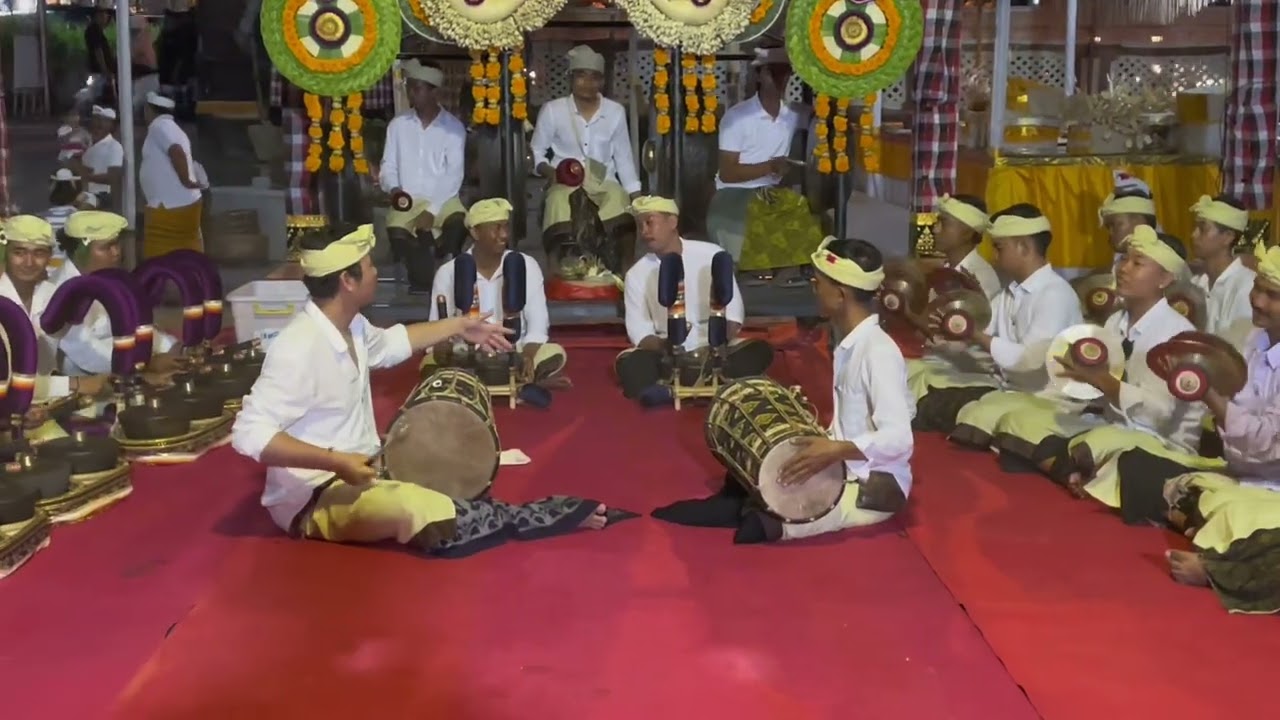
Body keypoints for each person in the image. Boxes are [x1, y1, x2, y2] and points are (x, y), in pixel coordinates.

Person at [230, 224, 632, 557]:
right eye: (368, 268)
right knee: (422, 508)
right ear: (347, 281)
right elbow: (250, 433)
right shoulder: (299, 346)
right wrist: (336, 462)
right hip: (315, 495)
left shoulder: (350, 326)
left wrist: (460, 325)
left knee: (449, 467)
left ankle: (485, 512)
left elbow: (391, 344)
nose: (375, 273)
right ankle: (525, 517)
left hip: (364, 466)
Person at [651, 238, 914, 543]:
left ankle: (752, 510)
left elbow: (899, 439)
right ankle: (738, 501)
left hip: (869, 487)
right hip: (840, 463)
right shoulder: (852, 342)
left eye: (819, 283)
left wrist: (835, 449)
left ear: (841, 295)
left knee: (760, 524)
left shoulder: (878, 351)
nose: (814, 289)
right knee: (752, 472)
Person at [975, 227, 1200, 479]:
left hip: (1158, 440)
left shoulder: (1179, 335)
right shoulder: (1116, 321)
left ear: (1165, 278)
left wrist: (1099, 378)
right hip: (1109, 425)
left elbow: (1157, 415)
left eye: (1137, 263)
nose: (1123, 268)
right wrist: (1075, 375)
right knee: (1021, 421)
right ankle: (1077, 471)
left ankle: (1076, 469)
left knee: (1096, 444)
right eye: (1124, 259)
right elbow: (1096, 389)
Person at [913, 205, 1081, 434]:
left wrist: (974, 334)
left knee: (971, 415)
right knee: (924, 385)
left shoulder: (1055, 294)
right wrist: (945, 342)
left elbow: (1030, 362)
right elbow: (979, 342)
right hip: (1006, 389)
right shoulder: (1008, 294)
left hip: (1047, 399)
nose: (994, 255)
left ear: (1024, 247)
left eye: (999, 247)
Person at [615, 196, 773, 407]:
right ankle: (717, 384)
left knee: (758, 351)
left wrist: (715, 344)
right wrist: (668, 346)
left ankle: (677, 386)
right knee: (631, 365)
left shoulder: (711, 255)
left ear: (672, 222)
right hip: (668, 352)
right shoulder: (636, 274)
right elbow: (640, 333)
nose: (644, 231)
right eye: (639, 225)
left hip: (715, 347)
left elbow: (734, 314)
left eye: (649, 222)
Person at [425, 198, 567, 403]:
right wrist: (442, 347)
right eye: (496, 228)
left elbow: (538, 325)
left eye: (506, 227)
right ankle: (524, 385)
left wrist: (527, 355)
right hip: (466, 355)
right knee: (430, 364)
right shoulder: (448, 272)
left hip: (514, 352)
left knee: (553, 353)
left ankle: (467, 387)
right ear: (475, 232)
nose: (504, 235)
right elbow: (435, 331)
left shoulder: (526, 265)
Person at [706, 46, 818, 287]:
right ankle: (762, 268)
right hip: (733, 192)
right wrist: (770, 167)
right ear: (759, 75)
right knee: (772, 205)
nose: (779, 78)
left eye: (785, 72)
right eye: (772, 72)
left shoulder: (794, 115)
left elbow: (830, 120)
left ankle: (792, 269)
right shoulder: (737, 117)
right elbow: (728, 172)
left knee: (798, 204)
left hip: (772, 191)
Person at [530, 45, 641, 275]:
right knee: (558, 204)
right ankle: (554, 273)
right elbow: (537, 152)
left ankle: (626, 270)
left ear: (602, 81)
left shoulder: (615, 111)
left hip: (604, 181)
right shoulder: (553, 110)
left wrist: (636, 196)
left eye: (594, 77)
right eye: (581, 76)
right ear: (571, 78)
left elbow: (624, 157)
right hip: (565, 181)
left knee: (620, 203)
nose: (588, 83)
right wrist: (552, 173)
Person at [0, 215, 108, 439]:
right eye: (19, 252)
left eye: (38, 253)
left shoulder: (54, 296)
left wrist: (141, 359)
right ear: (5, 253)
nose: (29, 262)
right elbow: (7, 380)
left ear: (50, 256)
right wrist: (74, 384)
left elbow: (86, 345)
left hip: (46, 407)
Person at [55, 211, 182, 376]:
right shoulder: (61, 293)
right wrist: (147, 363)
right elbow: (88, 354)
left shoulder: (111, 279)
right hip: (87, 378)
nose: (116, 253)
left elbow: (137, 327)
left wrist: (173, 348)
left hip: (123, 361)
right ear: (81, 251)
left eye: (116, 244)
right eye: (106, 247)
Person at [380, 59, 468, 293]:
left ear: (434, 92)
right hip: (407, 198)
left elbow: (454, 175)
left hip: (444, 198)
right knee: (398, 233)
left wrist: (432, 211)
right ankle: (422, 281)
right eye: (410, 86)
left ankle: (440, 263)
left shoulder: (453, 128)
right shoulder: (397, 126)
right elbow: (388, 165)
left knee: (458, 224)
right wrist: (394, 189)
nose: (411, 92)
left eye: (417, 88)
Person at [140, 92, 205, 257]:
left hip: (170, 207)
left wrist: (187, 181)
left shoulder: (160, 126)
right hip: (178, 204)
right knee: (186, 254)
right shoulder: (173, 128)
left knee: (160, 260)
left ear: (149, 109)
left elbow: (176, 151)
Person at [1189, 194, 1255, 341]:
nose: (1193, 235)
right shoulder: (1195, 283)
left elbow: (1241, 349)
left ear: (1228, 237)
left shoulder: (1246, 286)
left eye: (1202, 229)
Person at [1098, 174, 1159, 265]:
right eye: (1108, 227)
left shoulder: (1162, 265)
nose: (1110, 233)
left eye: (1114, 225)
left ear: (1139, 223)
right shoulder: (1120, 260)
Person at [71, 106, 125, 209]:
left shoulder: (114, 146)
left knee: (82, 208)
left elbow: (113, 176)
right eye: (95, 120)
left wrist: (87, 176)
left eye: (103, 121)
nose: (98, 124)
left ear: (111, 126)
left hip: (101, 195)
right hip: (82, 192)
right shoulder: (85, 143)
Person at [84, 7, 116, 108]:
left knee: (99, 95)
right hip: (99, 72)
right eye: (106, 16)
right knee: (97, 95)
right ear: (99, 16)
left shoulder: (97, 30)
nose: (107, 19)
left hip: (99, 71)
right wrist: (105, 69)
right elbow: (98, 50)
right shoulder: (94, 30)